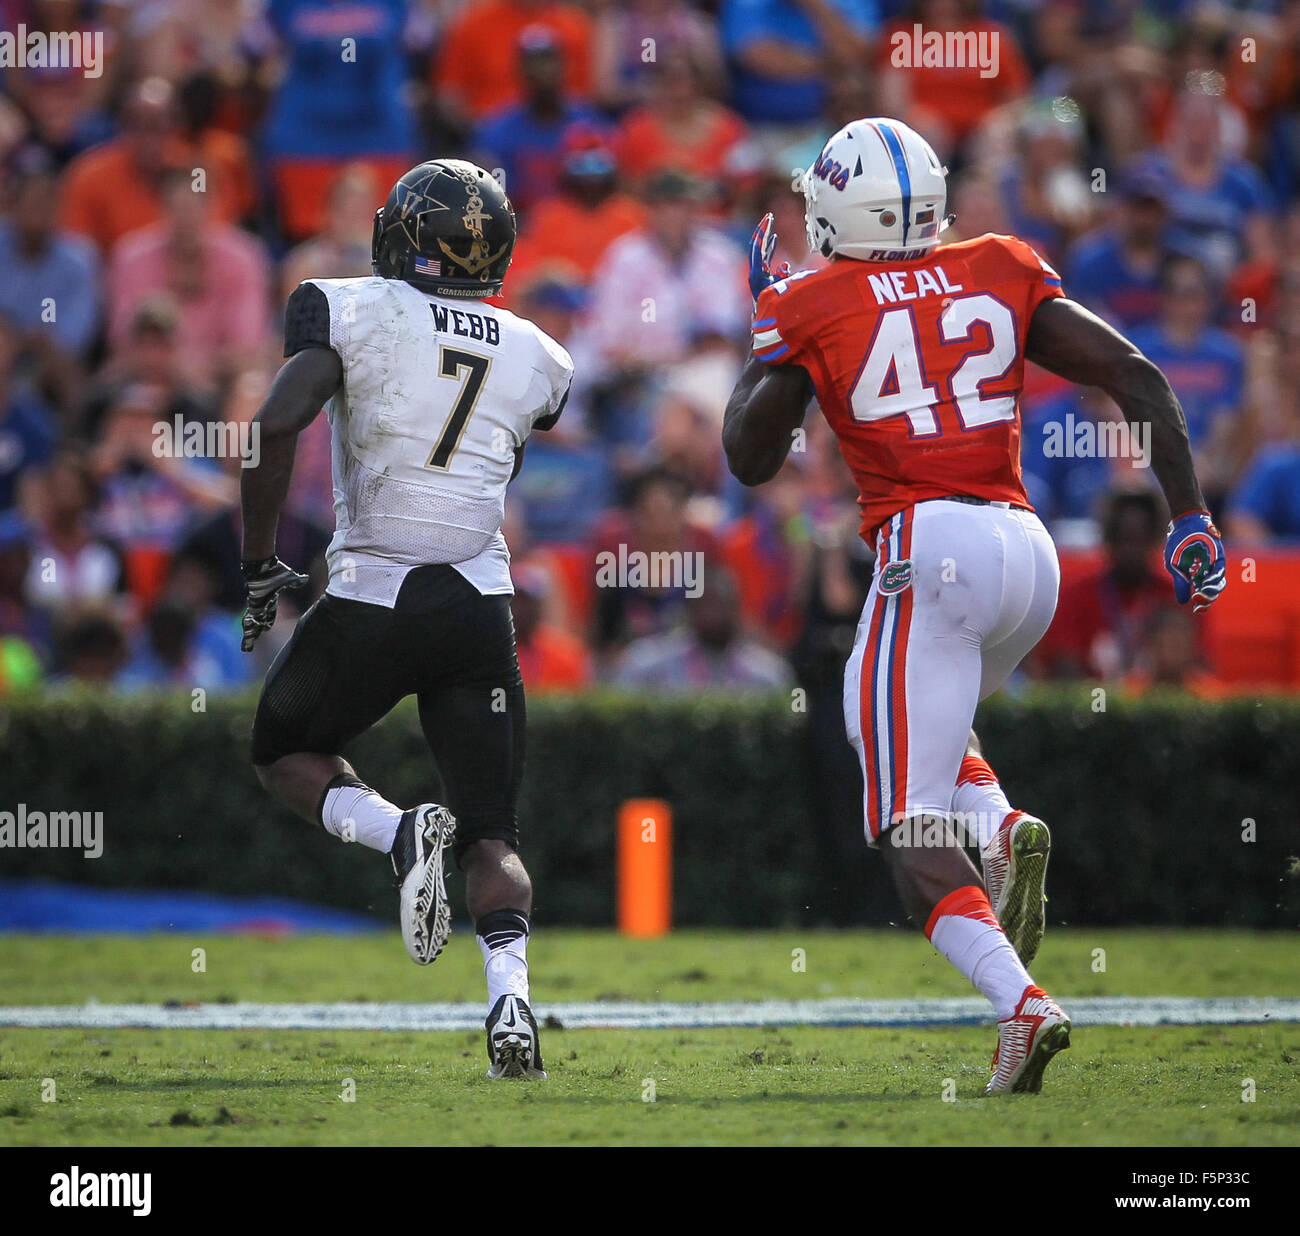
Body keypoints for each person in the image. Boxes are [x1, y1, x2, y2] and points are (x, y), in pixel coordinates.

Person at [723, 117, 1225, 1095]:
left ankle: (1020, 1000)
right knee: (929, 737)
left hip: (928, 552)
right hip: (1026, 557)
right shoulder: (997, 261)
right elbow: (1137, 374)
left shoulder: (815, 299)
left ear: (834, 210)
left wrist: (769, 335)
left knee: (903, 817)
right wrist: (1192, 516)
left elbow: (748, 460)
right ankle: (997, 829)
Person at [239, 160, 573, 1081]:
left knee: (280, 752)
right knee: (494, 835)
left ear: (402, 236)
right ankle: (511, 1003)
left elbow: (273, 427)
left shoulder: (347, 305)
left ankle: (394, 833)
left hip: (374, 592)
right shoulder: (539, 352)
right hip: (478, 605)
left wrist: (260, 562)